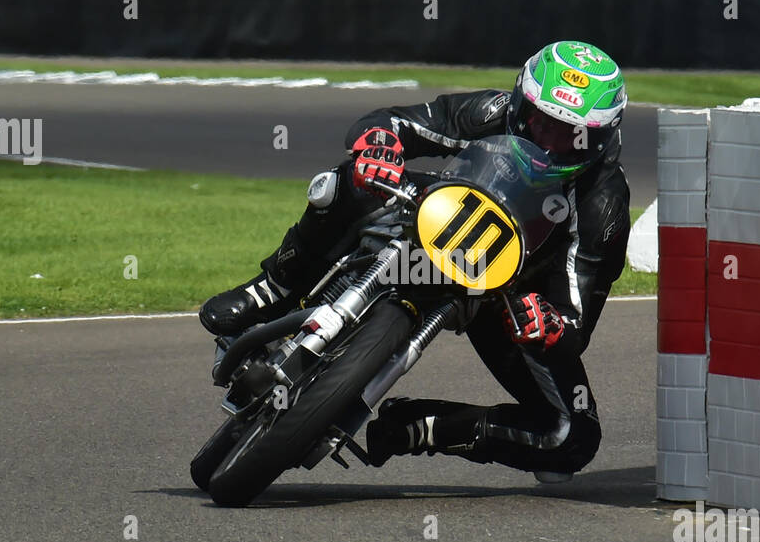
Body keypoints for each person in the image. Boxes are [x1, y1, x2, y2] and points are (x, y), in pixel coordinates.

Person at [199, 41, 631, 479]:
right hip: (438, 212)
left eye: (572, 135)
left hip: (506, 297)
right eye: (542, 124)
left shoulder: (605, 204)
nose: (551, 142)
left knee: (573, 437)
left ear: (602, 138)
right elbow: (395, 121)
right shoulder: (490, 112)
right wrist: (380, 146)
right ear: (521, 104)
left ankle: (427, 429)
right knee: (347, 180)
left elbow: (578, 321)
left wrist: (551, 323)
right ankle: (273, 287)